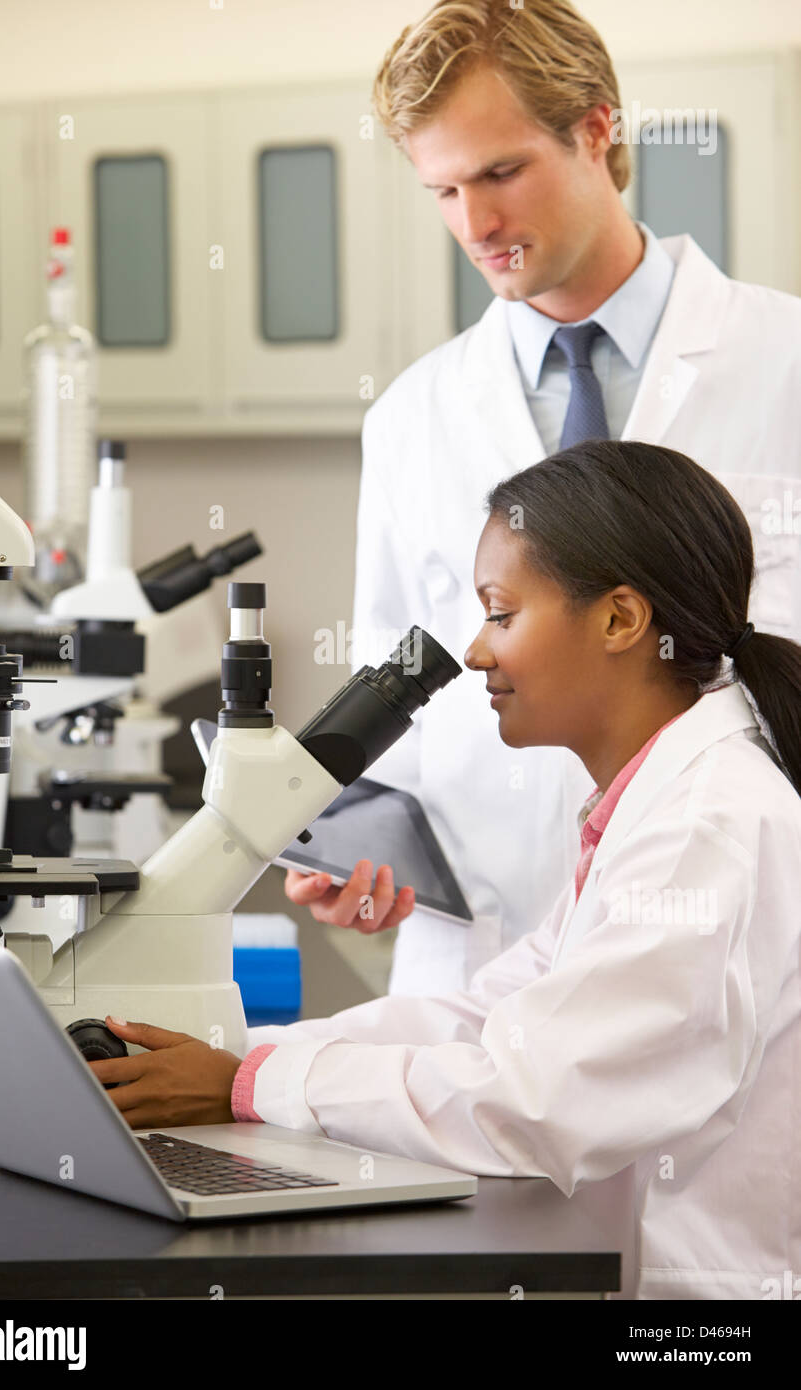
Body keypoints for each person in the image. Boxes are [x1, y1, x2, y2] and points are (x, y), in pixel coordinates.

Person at [94, 439, 801, 1300]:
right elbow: (484, 1016)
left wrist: (251, 1083)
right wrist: (236, 1057)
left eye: (501, 614)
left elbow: (539, 1100)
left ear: (620, 621)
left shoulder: (705, 824)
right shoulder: (655, 802)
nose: (474, 652)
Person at [284, 0, 801, 997]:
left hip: (732, 953)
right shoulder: (411, 417)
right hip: (481, 960)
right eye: (442, 190)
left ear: (596, 129)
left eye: (500, 173)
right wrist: (361, 851)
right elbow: (391, 688)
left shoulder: (785, 362)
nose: (474, 226)